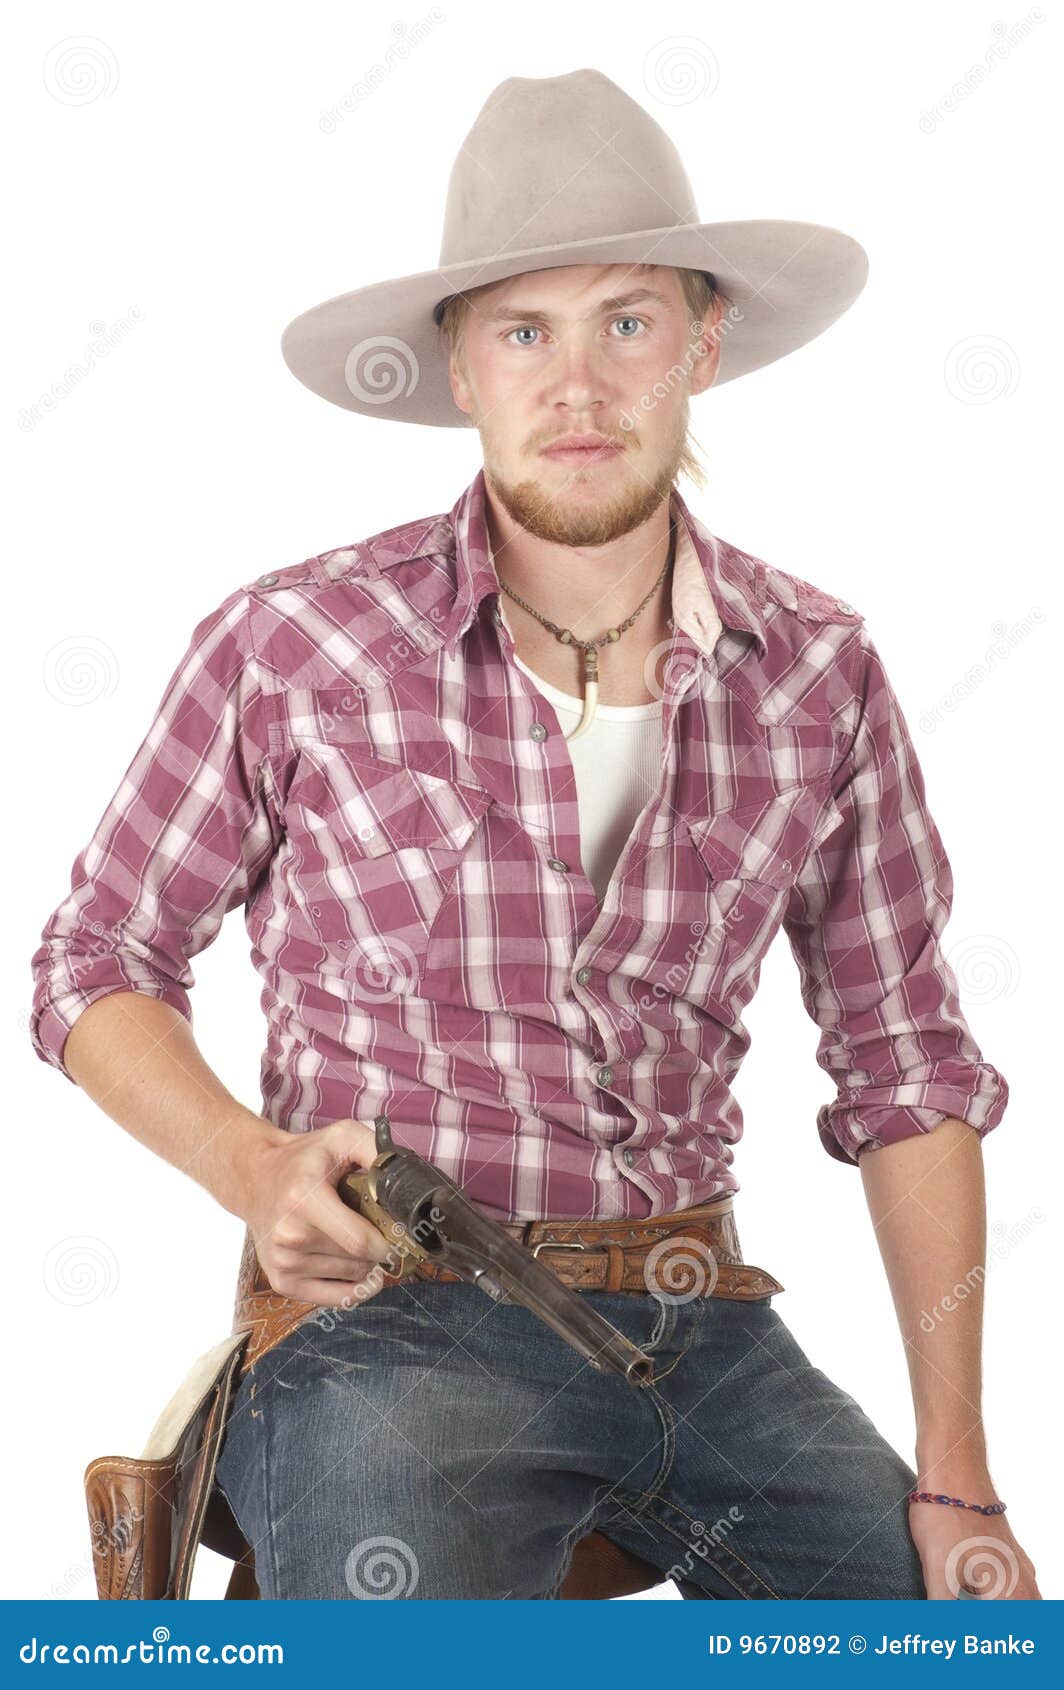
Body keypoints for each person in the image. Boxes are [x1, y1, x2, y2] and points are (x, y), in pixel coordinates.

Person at [30, 69, 1039, 1601]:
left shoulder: (819, 673)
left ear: (704, 342)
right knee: (410, 1632)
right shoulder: (294, 646)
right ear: (458, 366)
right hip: (396, 1321)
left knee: (948, 1639)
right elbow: (95, 954)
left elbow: (908, 1070)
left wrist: (957, 1470)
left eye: (628, 322)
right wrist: (251, 1162)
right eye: (523, 332)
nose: (577, 385)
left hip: (711, 1330)